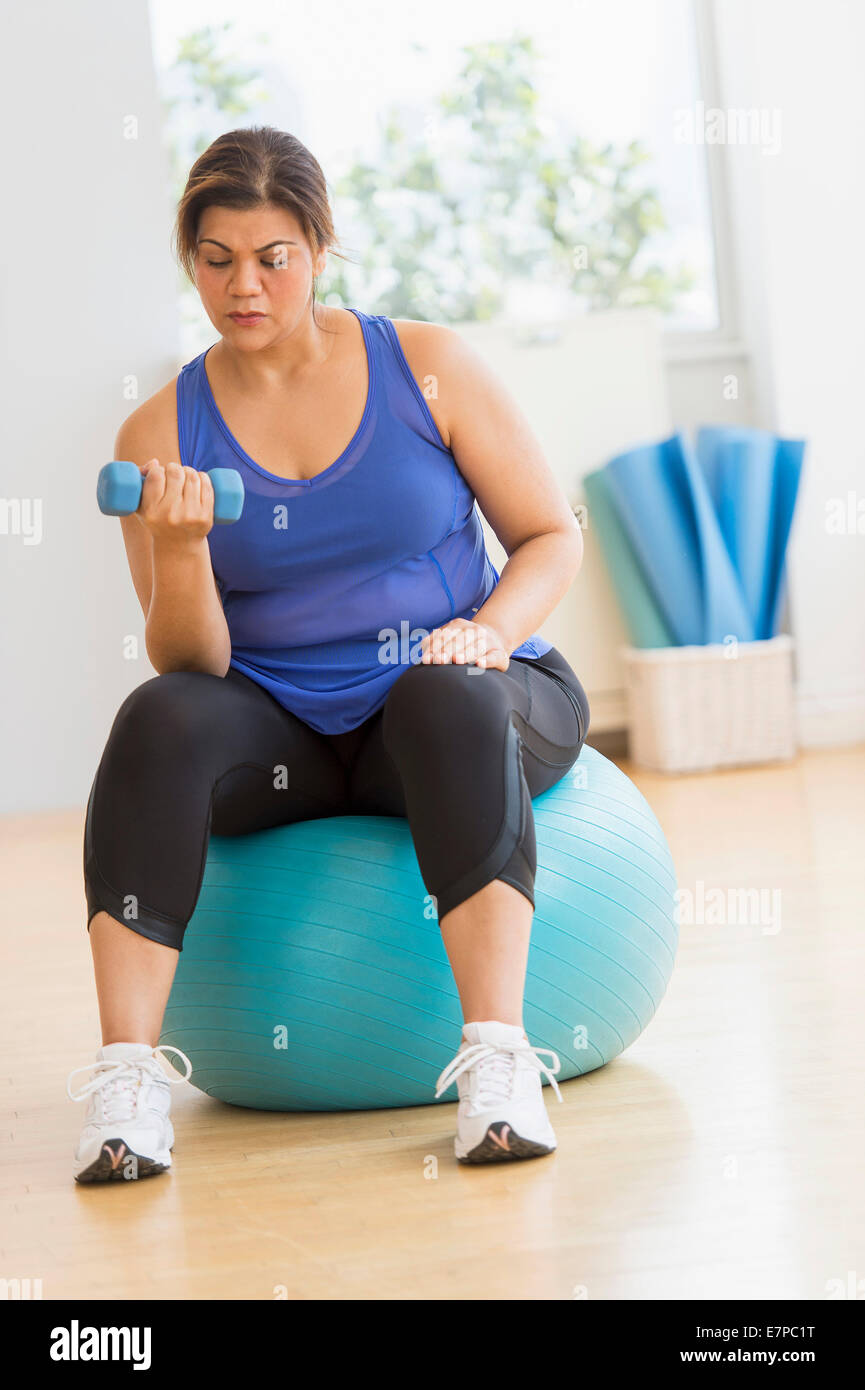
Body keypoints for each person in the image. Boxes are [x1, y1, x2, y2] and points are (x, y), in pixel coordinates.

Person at [67, 125, 590, 1183]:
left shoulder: (426, 368)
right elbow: (190, 659)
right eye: (216, 260)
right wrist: (179, 546)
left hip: (465, 701)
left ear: (318, 246)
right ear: (190, 261)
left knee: (442, 696)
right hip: (292, 738)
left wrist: (483, 634)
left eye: (272, 258)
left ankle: (496, 1062)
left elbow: (550, 533)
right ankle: (127, 1088)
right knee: (156, 715)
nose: (243, 286)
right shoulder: (161, 431)